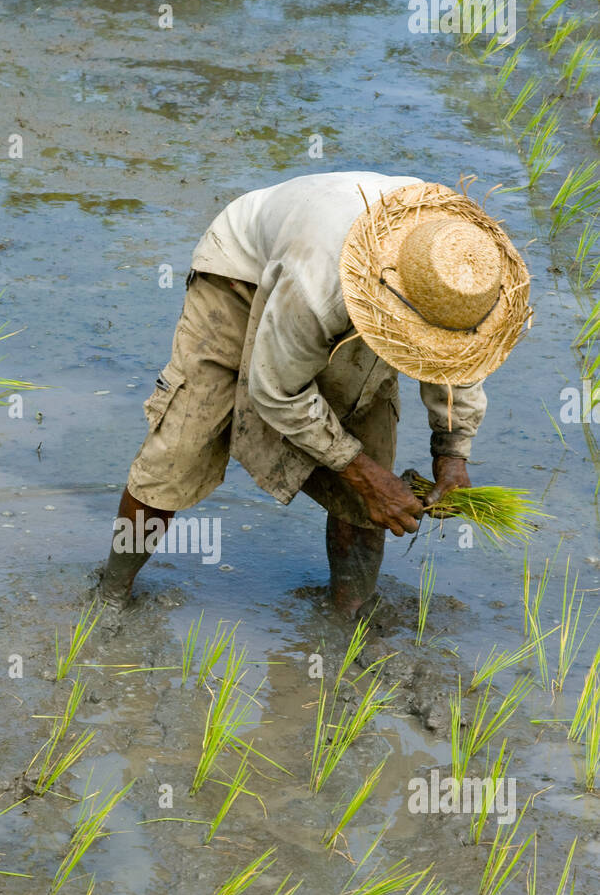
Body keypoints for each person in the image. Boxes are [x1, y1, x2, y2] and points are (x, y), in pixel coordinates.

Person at [97, 172, 531, 618]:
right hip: (240, 278)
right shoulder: (317, 285)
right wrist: (362, 473)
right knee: (181, 447)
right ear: (397, 311)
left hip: (367, 290)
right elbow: (276, 390)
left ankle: (348, 621)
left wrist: (452, 451)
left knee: (371, 480)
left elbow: (457, 361)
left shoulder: (462, 270)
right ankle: (110, 596)